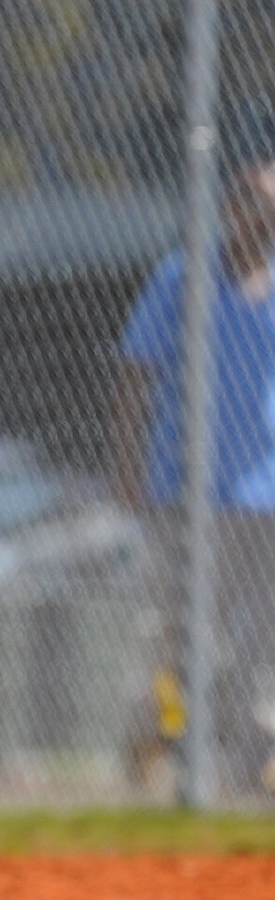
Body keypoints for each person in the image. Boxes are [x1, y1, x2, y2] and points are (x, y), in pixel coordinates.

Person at [116, 157, 275, 799]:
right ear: (235, 208)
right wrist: (126, 468)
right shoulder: (182, 277)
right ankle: (157, 748)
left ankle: (248, 762)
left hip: (263, 495)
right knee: (177, 631)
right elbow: (136, 373)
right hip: (183, 493)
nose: (262, 219)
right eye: (255, 203)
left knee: (262, 638)